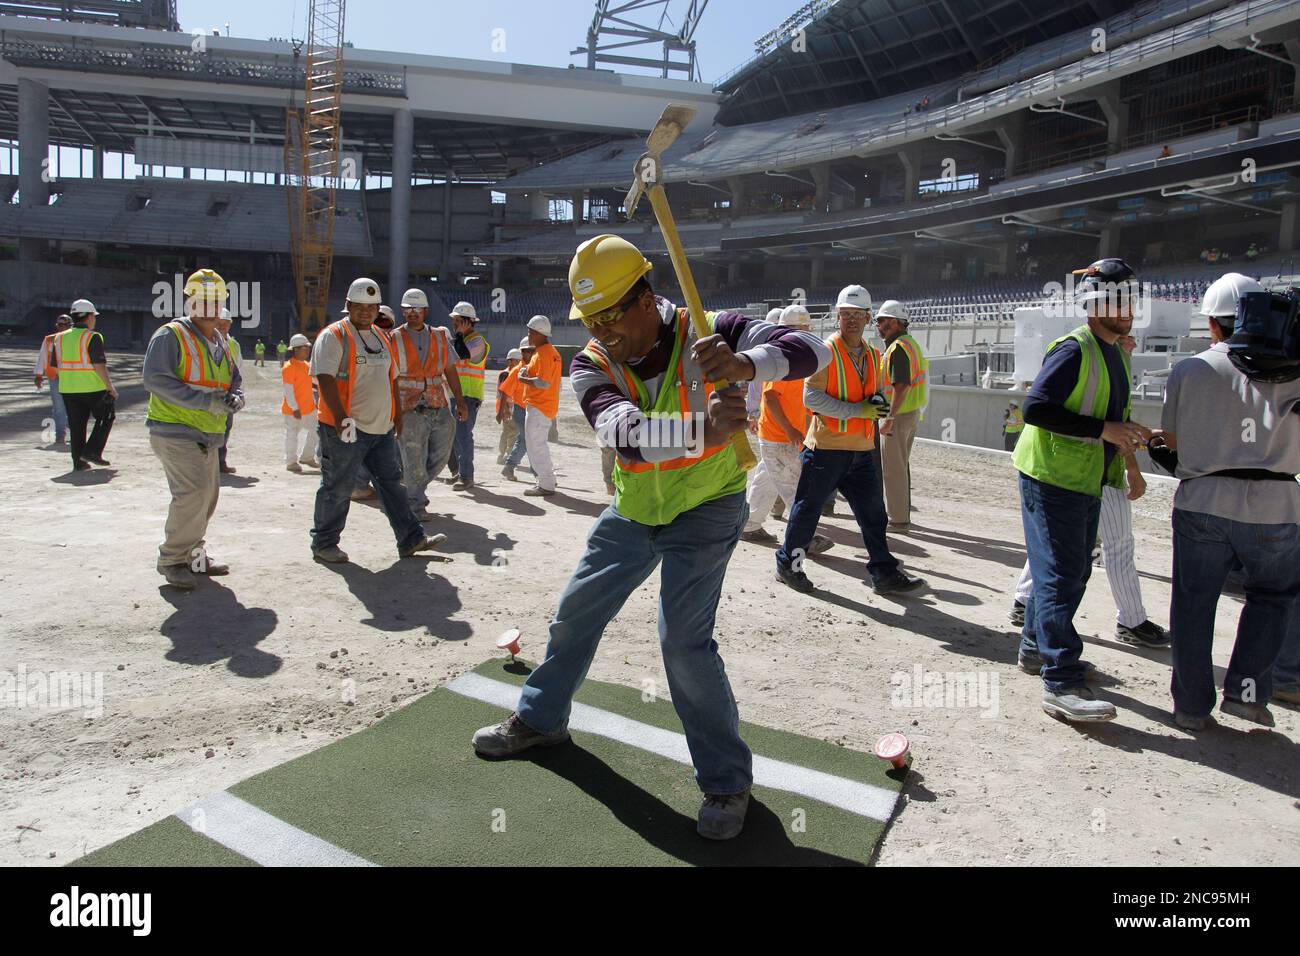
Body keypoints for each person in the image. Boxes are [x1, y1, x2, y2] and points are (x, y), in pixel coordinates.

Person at [471, 234, 828, 841]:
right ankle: (541, 719)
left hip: (706, 510)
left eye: (610, 316)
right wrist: (706, 431)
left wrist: (746, 365)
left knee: (684, 645)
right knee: (574, 617)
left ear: (645, 298)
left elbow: (810, 348)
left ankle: (725, 781)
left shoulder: (711, 328)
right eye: (591, 319)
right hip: (634, 511)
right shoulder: (590, 363)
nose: (600, 330)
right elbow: (626, 434)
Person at [1155, 272, 1300, 729]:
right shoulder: (1294, 369)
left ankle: (1192, 709)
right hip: (1278, 505)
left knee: (1194, 604)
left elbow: (1172, 443)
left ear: (1214, 325)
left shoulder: (1190, 369)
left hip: (1203, 501)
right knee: (1271, 599)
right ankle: (1246, 694)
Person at [1013, 258, 1150, 723]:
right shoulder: (1074, 349)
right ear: (1094, 306)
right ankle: (1061, 680)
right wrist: (1104, 430)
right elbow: (1035, 409)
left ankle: (1036, 649)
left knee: (1068, 572)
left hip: (1081, 477)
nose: (1126, 308)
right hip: (1053, 477)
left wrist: (1127, 436)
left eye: (1130, 300)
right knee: (1061, 576)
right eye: (1116, 301)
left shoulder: (1113, 349)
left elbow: (1106, 416)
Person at [1010, 336, 1170, 651]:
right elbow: (1040, 410)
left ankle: (1028, 619)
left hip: (1084, 469)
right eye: (1125, 329)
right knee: (1086, 559)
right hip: (1072, 471)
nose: (1132, 339)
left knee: (1057, 555)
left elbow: (1114, 423)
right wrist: (1130, 465)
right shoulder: (1082, 353)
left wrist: (1137, 435)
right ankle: (1116, 628)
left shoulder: (1113, 361)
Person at [775, 285, 924, 596]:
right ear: (837, 316)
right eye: (846, 314)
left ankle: (883, 571)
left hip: (861, 449)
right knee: (807, 511)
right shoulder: (826, 352)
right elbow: (812, 398)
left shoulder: (873, 355)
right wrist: (860, 410)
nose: (852, 320)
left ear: (868, 318)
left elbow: (878, 390)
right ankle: (789, 565)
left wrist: (880, 404)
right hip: (827, 449)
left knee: (873, 514)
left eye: (858, 314)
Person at [308, 277, 446, 564]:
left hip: (380, 428)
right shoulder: (334, 336)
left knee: (393, 484)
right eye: (359, 307)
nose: (366, 312)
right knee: (337, 486)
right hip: (345, 428)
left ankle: (411, 539)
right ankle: (324, 543)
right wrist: (340, 418)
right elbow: (324, 378)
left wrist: (396, 413)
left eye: (371, 307)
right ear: (348, 306)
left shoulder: (382, 337)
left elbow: (392, 377)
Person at [142, 269, 244, 590]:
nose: (210, 307)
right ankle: (173, 560)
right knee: (191, 495)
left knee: (207, 498)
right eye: (202, 300)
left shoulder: (221, 340)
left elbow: (232, 378)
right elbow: (155, 379)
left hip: (209, 433)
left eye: (216, 301)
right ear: (189, 301)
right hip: (175, 429)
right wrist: (206, 401)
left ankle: (195, 557)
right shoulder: (170, 336)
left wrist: (235, 396)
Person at [740, 304, 830, 554]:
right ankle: (805, 537)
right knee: (795, 485)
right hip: (778, 436)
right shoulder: (787, 361)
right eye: (805, 329)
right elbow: (770, 398)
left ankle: (749, 525)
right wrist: (790, 429)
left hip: (777, 435)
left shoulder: (793, 359)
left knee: (767, 479)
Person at [391, 287, 468, 514]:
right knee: (413, 453)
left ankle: (412, 485)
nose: (412, 313)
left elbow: (450, 369)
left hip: (438, 402)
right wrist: (394, 411)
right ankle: (415, 504)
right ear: (403, 312)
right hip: (408, 405)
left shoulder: (439, 336)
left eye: (417, 309)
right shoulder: (393, 338)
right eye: (408, 309)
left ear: (425, 311)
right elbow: (390, 376)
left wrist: (460, 402)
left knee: (442, 453)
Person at [875, 299, 928, 532]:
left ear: (896, 323)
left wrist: (890, 417)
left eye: (883, 321)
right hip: (910, 413)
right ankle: (901, 514)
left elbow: (902, 385)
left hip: (898, 415)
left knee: (893, 469)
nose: (879, 325)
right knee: (900, 466)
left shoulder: (898, 349)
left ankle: (897, 520)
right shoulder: (911, 344)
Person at [54, 298, 117, 471]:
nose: (94, 320)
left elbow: (55, 365)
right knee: (107, 416)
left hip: (67, 389)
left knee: (77, 426)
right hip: (93, 387)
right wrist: (109, 386)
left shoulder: (59, 338)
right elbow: (99, 365)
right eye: (94, 316)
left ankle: (79, 462)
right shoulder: (93, 337)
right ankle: (92, 451)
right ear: (89, 317)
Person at [517, 314, 561, 496]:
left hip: (539, 406)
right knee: (538, 443)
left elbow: (543, 383)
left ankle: (546, 484)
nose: (529, 336)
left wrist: (522, 378)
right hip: (544, 406)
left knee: (535, 445)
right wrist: (527, 370)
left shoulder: (544, 353)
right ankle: (548, 480)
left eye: (531, 332)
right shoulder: (546, 353)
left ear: (541, 334)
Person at [449, 300, 490, 490]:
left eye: (458, 320)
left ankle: (466, 477)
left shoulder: (476, 340)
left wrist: (458, 335)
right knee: (456, 436)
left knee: (464, 436)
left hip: (468, 396)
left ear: (467, 322)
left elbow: (461, 355)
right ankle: (460, 472)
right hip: (456, 394)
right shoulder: (460, 338)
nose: (454, 323)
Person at [282, 333, 319, 472]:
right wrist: (295, 408)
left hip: (309, 408)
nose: (308, 351)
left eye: (308, 348)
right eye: (305, 348)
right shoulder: (288, 368)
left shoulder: (306, 365)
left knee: (317, 430)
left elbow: (315, 380)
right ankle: (291, 462)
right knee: (292, 435)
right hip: (294, 410)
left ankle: (307, 457)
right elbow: (288, 390)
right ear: (296, 349)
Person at [34, 314, 71, 445]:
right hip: (54, 377)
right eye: (60, 325)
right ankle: (60, 435)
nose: (62, 328)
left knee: (72, 407)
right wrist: (39, 375)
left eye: (65, 325)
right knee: (59, 407)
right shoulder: (49, 340)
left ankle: (74, 431)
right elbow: (42, 356)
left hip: (71, 378)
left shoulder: (73, 340)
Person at [501, 336, 533, 482]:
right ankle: (539, 473)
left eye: (531, 351)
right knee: (529, 439)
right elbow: (505, 390)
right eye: (526, 351)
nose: (529, 354)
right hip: (520, 410)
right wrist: (503, 410)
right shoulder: (517, 371)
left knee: (527, 439)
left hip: (532, 409)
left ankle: (509, 467)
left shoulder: (535, 367)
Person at [217, 308, 242, 475]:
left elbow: (239, 369)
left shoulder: (233, 344)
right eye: (220, 323)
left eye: (226, 324)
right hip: (212, 392)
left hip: (228, 393)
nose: (223, 326)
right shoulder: (207, 341)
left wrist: (239, 394)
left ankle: (220, 462)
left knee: (226, 428)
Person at [496, 347, 523, 464]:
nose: (520, 363)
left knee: (512, 432)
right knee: (509, 432)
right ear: (511, 361)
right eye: (518, 361)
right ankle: (503, 454)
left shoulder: (515, 372)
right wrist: (505, 409)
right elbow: (502, 393)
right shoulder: (506, 374)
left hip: (513, 408)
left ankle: (505, 455)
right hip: (507, 408)